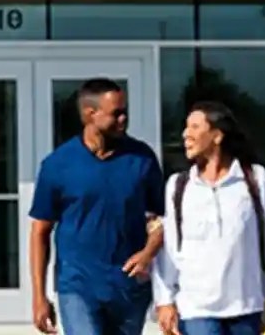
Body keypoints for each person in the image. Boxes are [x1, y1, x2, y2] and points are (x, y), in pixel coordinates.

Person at [29, 78, 166, 335]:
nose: (124, 118)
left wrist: (149, 251)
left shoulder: (142, 158)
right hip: (78, 285)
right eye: (116, 113)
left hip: (129, 287)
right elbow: (40, 232)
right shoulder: (58, 164)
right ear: (90, 114)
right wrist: (39, 296)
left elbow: (159, 219)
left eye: (125, 112)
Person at [152, 101, 265, 335]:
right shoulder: (178, 186)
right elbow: (169, 249)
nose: (185, 134)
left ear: (217, 136)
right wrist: (164, 300)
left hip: (246, 307)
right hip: (196, 310)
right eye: (186, 127)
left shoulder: (255, 180)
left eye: (195, 127)